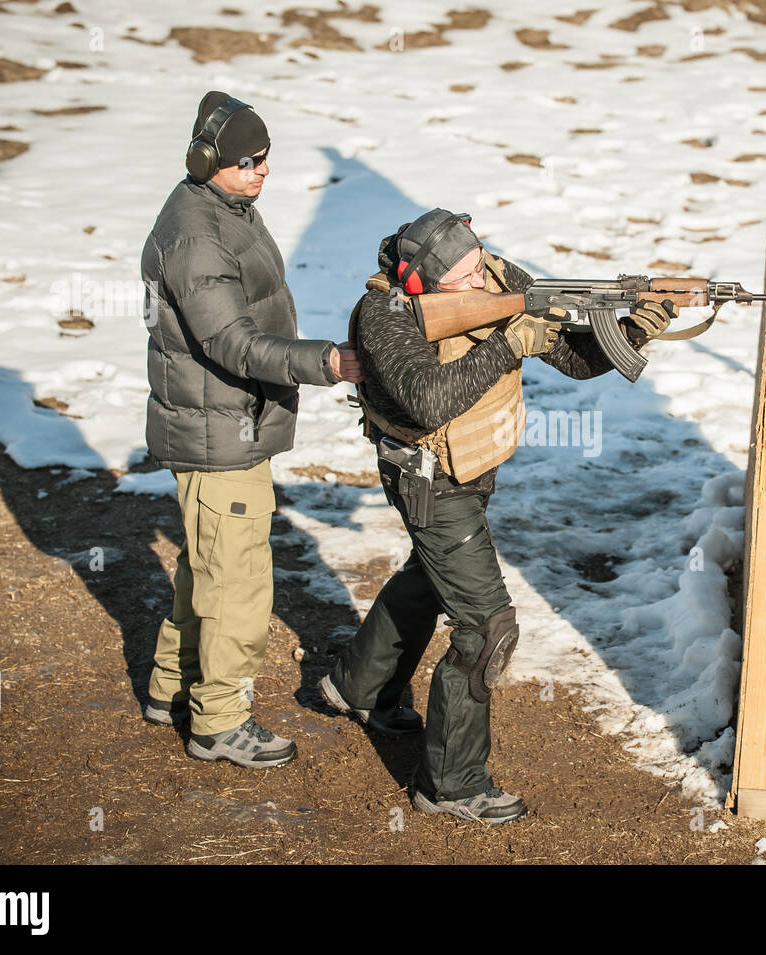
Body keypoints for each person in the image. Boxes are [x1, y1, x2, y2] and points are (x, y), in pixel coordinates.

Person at [317, 209, 676, 822]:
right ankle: (451, 784)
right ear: (418, 283)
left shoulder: (495, 277)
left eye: (480, 263)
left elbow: (573, 358)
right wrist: (509, 339)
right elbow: (429, 402)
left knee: (432, 576)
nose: (479, 280)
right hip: (427, 475)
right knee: (488, 626)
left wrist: (635, 325)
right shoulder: (386, 315)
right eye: (462, 278)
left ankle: (361, 685)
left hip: (473, 465)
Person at [139, 90, 363, 769]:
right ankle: (219, 720)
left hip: (222, 422)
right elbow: (233, 343)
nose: (264, 172)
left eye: (267, 159)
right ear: (209, 160)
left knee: (207, 568)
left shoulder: (221, 207)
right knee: (237, 584)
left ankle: (171, 687)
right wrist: (326, 362)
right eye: (251, 162)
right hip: (219, 429)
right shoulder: (197, 233)